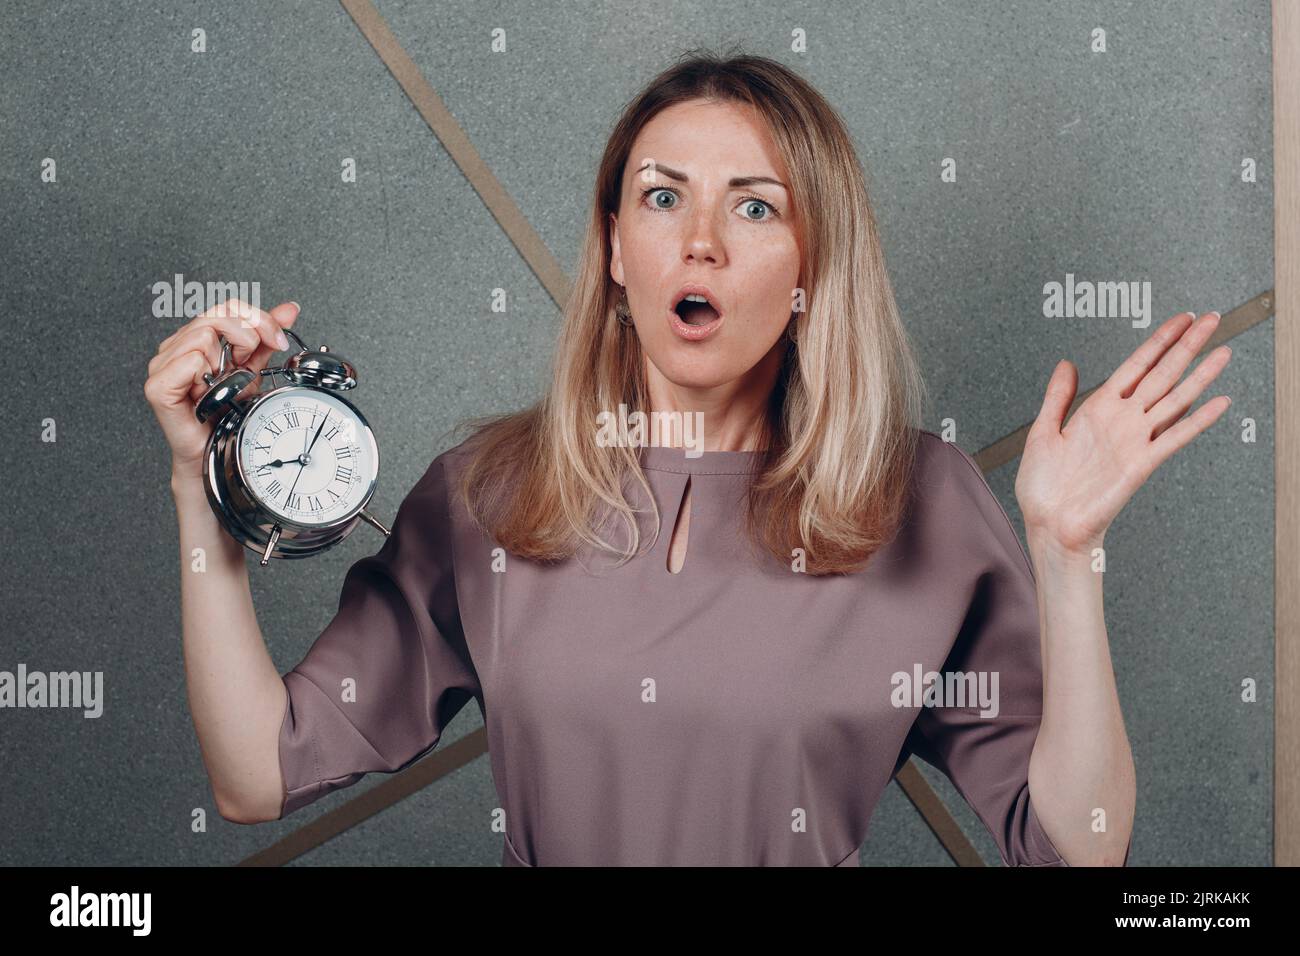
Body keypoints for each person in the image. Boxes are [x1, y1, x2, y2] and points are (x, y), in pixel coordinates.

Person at [145, 51, 1231, 866]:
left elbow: (1075, 845)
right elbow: (255, 772)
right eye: (662, 196)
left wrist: (1065, 553)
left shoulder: (918, 504)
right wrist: (207, 490)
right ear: (616, 246)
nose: (699, 238)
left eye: (754, 206)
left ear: (812, 267)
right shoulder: (489, 492)